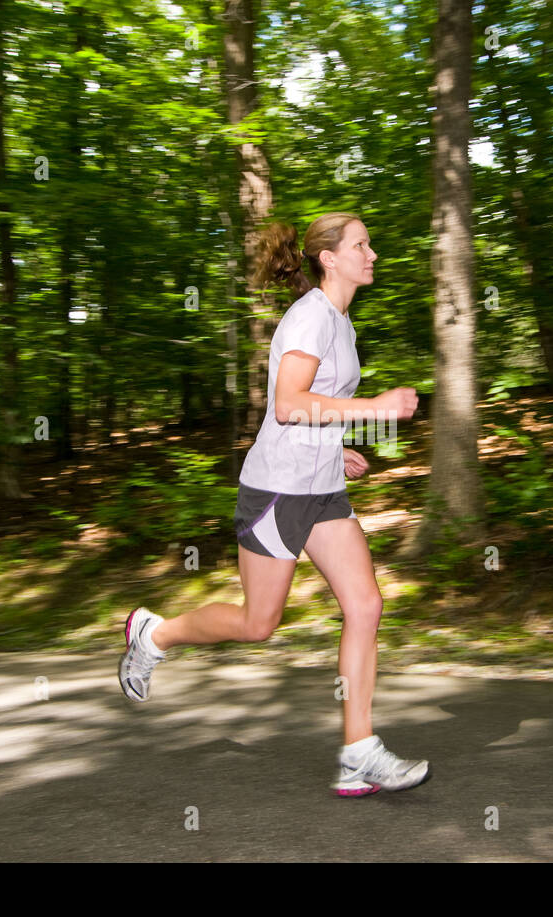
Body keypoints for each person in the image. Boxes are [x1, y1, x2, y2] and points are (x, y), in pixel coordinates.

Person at [119, 213, 429, 797]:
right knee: (258, 624)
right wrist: (376, 407)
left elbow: (314, 407)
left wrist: (335, 452)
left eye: (370, 243)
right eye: (362, 244)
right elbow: (288, 405)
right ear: (328, 258)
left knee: (365, 606)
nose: (373, 254)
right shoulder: (311, 317)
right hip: (278, 490)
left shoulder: (339, 321)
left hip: (321, 490)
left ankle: (357, 752)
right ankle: (153, 636)